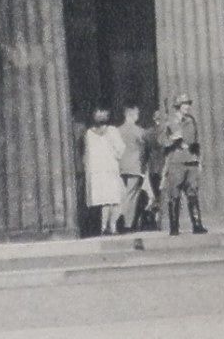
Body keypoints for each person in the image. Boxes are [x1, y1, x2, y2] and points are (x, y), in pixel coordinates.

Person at [159, 94, 206, 235]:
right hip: (176, 161)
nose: (187, 107)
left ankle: (197, 225)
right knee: (175, 194)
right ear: (178, 106)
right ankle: (174, 227)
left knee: (193, 192)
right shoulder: (169, 122)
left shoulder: (191, 120)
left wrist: (199, 160)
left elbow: (196, 141)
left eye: (188, 104)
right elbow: (161, 141)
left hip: (191, 160)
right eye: (185, 104)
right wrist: (172, 139)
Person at [82, 107, 124, 236]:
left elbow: (87, 154)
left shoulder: (89, 133)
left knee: (105, 200)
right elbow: (120, 149)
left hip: (97, 170)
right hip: (109, 168)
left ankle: (104, 226)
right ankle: (111, 226)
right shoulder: (112, 131)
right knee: (114, 199)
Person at [113, 104, 150, 232]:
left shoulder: (118, 130)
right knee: (132, 195)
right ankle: (126, 222)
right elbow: (144, 148)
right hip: (135, 166)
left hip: (122, 166)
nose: (138, 116)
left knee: (127, 193)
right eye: (137, 114)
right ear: (131, 114)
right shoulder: (139, 131)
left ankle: (124, 220)